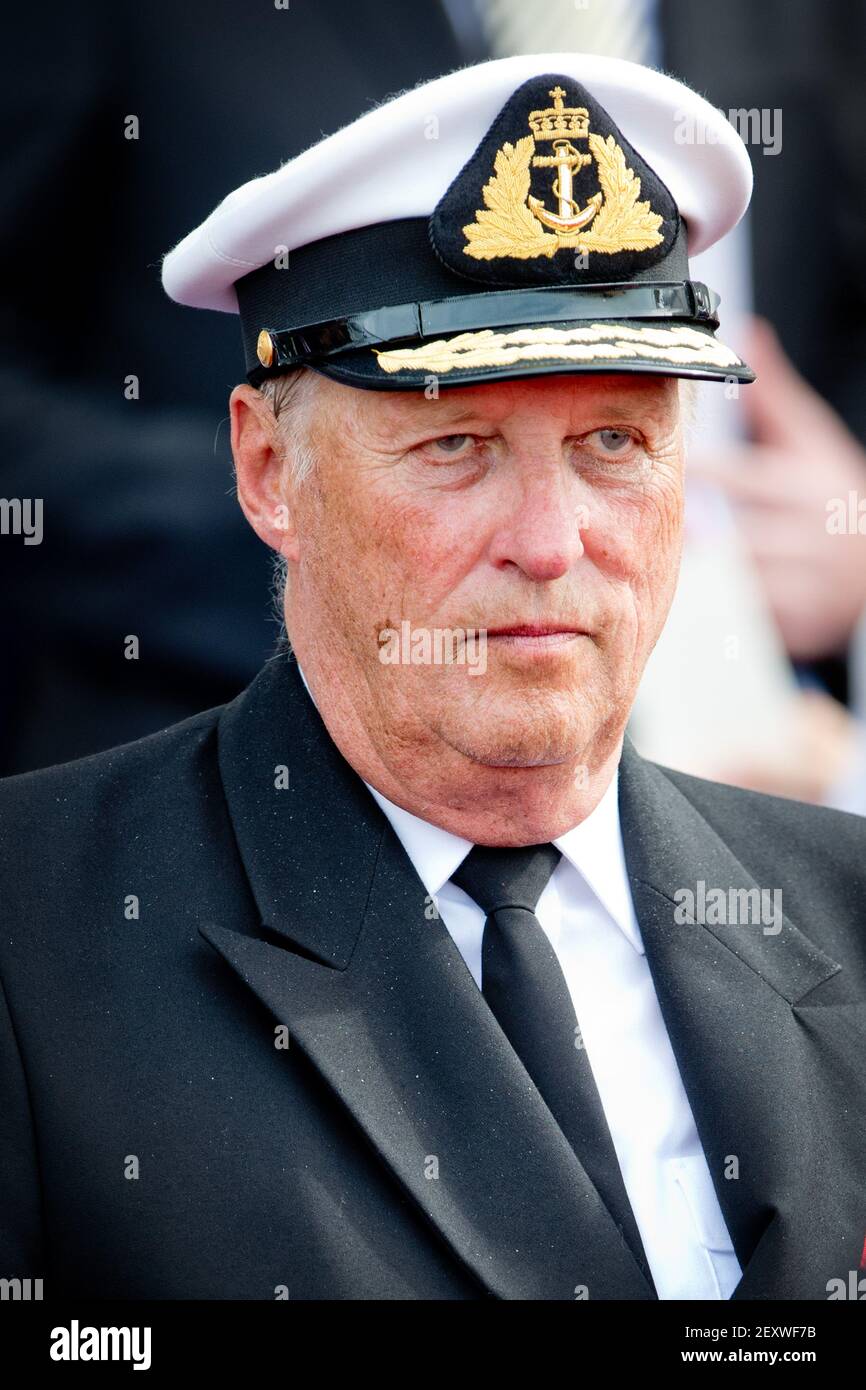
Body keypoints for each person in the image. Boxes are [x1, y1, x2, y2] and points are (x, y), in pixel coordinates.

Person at [1, 53, 863, 1302]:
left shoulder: (839, 906)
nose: (551, 540)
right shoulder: (36, 940)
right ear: (266, 469)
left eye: (612, 440)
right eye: (456, 443)